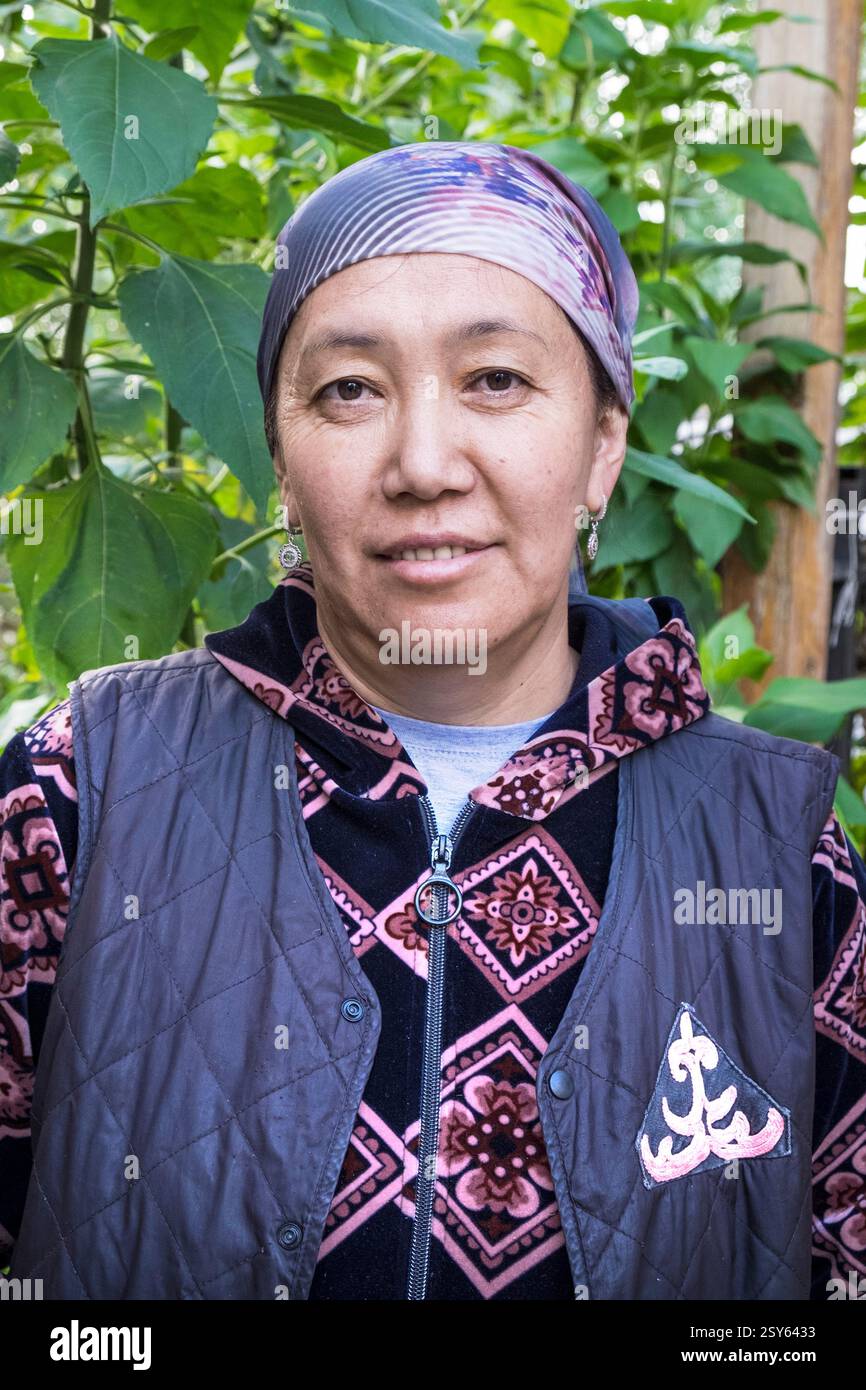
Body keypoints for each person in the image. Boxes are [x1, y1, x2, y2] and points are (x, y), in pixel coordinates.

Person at [1, 141, 865, 1301]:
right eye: (347, 389)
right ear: (281, 454)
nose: (420, 463)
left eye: (495, 380)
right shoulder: (79, 790)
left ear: (602, 444)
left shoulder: (774, 845)